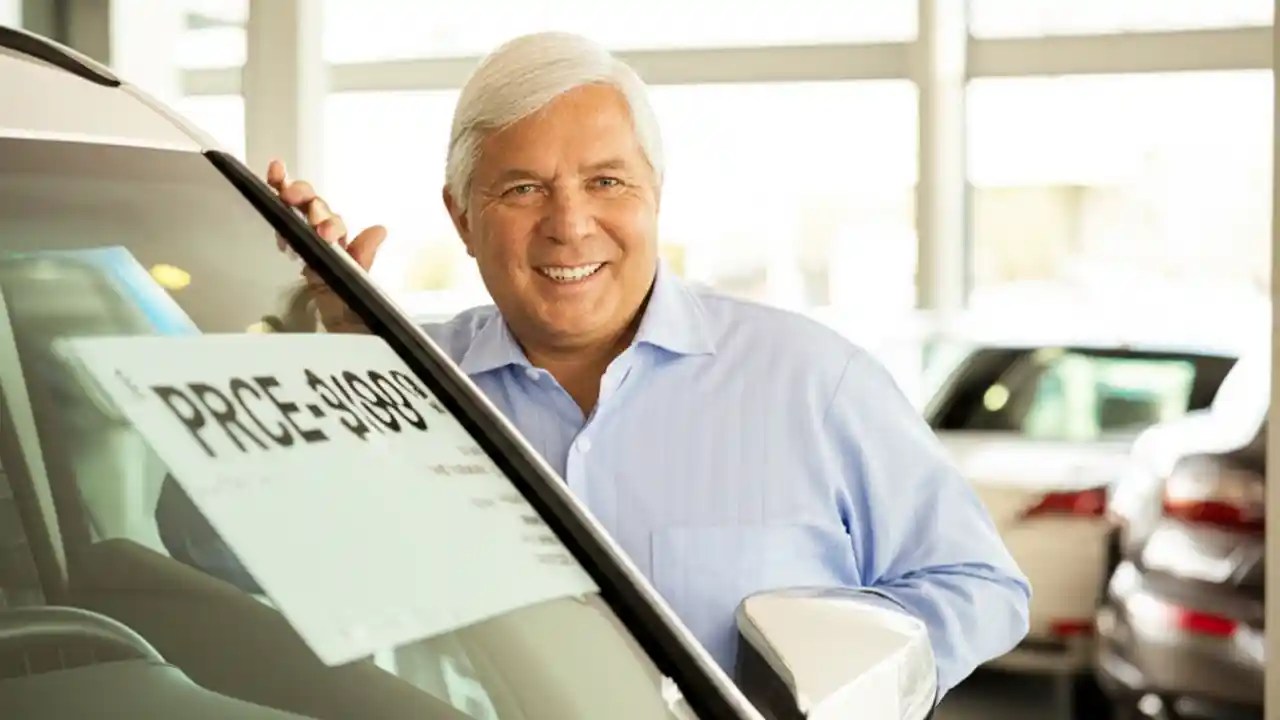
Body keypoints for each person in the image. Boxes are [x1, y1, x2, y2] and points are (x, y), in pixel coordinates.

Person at [267, 31, 1030, 699]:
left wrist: (837, 693)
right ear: (461, 216)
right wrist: (325, 364)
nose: (569, 226)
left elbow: (978, 589)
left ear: (654, 194)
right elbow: (217, 554)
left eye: (606, 182)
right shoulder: (394, 381)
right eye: (523, 188)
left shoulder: (814, 382)